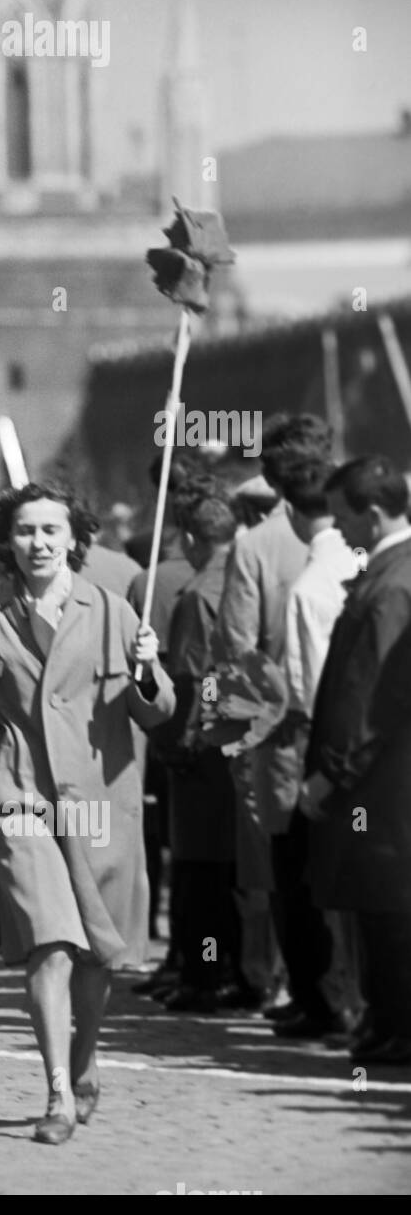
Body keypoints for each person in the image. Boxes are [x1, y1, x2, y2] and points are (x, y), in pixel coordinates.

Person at [0, 480, 173, 1144]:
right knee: (50, 940)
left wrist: (149, 671)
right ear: (6, 542)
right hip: (19, 800)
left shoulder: (114, 612)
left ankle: (85, 1055)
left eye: (51, 530)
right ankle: (57, 1092)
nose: (38, 542)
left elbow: (157, 712)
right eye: (25, 530)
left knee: (98, 952)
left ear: (74, 538)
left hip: (99, 802)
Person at [212, 415, 331, 1011]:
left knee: (285, 866)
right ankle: (350, 993)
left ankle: (298, 986)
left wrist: (240, 742)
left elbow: (238, 650)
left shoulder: (255, 546)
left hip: (283, 734)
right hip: (355, 739)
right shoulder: (358, 533)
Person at [302, 456, 411, 1066]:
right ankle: (384, 1017)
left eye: (343, 516)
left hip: (381, 782)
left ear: (373, 513)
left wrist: (331, 773)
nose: (337, 529)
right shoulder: (387, 571)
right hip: (374, 776)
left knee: (389, 901)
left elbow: (371, 697)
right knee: (373, 900)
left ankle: (399, 1023)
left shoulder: (395, 582)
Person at [271, 447, 362, 1040]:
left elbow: (306, 688)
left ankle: (331, 999)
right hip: (365, 751)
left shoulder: (308, 585)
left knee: (310, 879)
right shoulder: (360, 564)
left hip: (325, 746)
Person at [152, 479, 244, 1013]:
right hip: (243, 739)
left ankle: (204, 972)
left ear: (189, 539)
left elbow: (193, 678)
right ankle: (226, 967)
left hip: (205, 747)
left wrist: (181, 739)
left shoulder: (198, 596)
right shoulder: (247, 580)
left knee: (199, 869)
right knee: (230, 870)